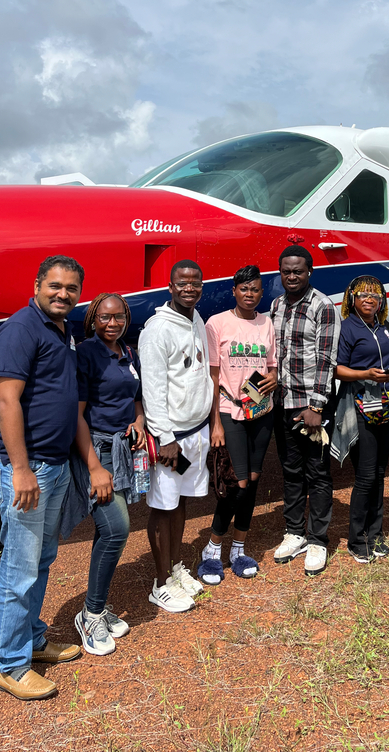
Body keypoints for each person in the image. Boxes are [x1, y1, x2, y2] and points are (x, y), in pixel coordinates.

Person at [0, 255, 110, 700]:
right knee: (19, 567)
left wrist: (90, 463)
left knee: (41, 559)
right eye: (55, 286)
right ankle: (12, 665)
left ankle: (33, 640)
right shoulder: (21, 329)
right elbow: (6, 400)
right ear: (37, 284)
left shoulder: (64, 330)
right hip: (25, 467)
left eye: (72, 288)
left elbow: (69, 401)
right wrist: (20, 468)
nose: (63, 294)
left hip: (53, 466)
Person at [139, 260, 213, 612]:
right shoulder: (156, 329)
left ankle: (175, 565)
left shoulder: (195, 318)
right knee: (162, 505)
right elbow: (152, 389)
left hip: (196, 430)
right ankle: (160, 581)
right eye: (182, 283)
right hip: (173, 437)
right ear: (170, 286)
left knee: (181, 501)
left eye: (195, 282)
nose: (189, 288)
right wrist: (164, 437)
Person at [74, 293, 146, 655]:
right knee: (116, 530)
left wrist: (138, 420)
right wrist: (94, 467)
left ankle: (97, 606)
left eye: (118, 317)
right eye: (104, 318)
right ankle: (90, 615)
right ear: (92, 320)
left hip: (123, 448)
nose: (112, 324)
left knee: (111, 531)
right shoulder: (87, 354)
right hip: (98, 452)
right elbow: (77, 414)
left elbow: (135, 396)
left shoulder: (128, 353)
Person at [199, 265, 278, 584]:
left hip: (261, 410)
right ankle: (212, 548)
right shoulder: (216, 323)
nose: (250, 294)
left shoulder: (267, 323)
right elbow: (212, 376)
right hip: (230, 411)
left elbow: (271, 366)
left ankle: (239, 549)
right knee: (236, 483)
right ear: (234, 291)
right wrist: (215, 423)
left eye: (256, 290)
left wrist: (272, 378)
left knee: (254, 481)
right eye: (244, 289)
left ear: (261, 293)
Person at [270, 244, 340, 576]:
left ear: (309, 272)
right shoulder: (276, 305)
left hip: (310, 407)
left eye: (298, 271)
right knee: (291, 471)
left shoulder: (323, 306)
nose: (292, 276)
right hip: (282, 404)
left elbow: (327, 359)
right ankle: (295, 532)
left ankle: (317, 540)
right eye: (286, 271)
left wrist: (316, 406)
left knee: (318, 473)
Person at [335, 276, 389, 563]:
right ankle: (357, 539)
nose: (369, 300)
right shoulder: (348, 328)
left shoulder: (385, 327)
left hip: (387, 405)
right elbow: (338, 369)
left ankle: (375, 534)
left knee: (379, 473)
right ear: (351, 299)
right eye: (363, 295)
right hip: (360, 404)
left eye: (375, 296)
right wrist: (365, 374)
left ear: (382, 302)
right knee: (365, 476)